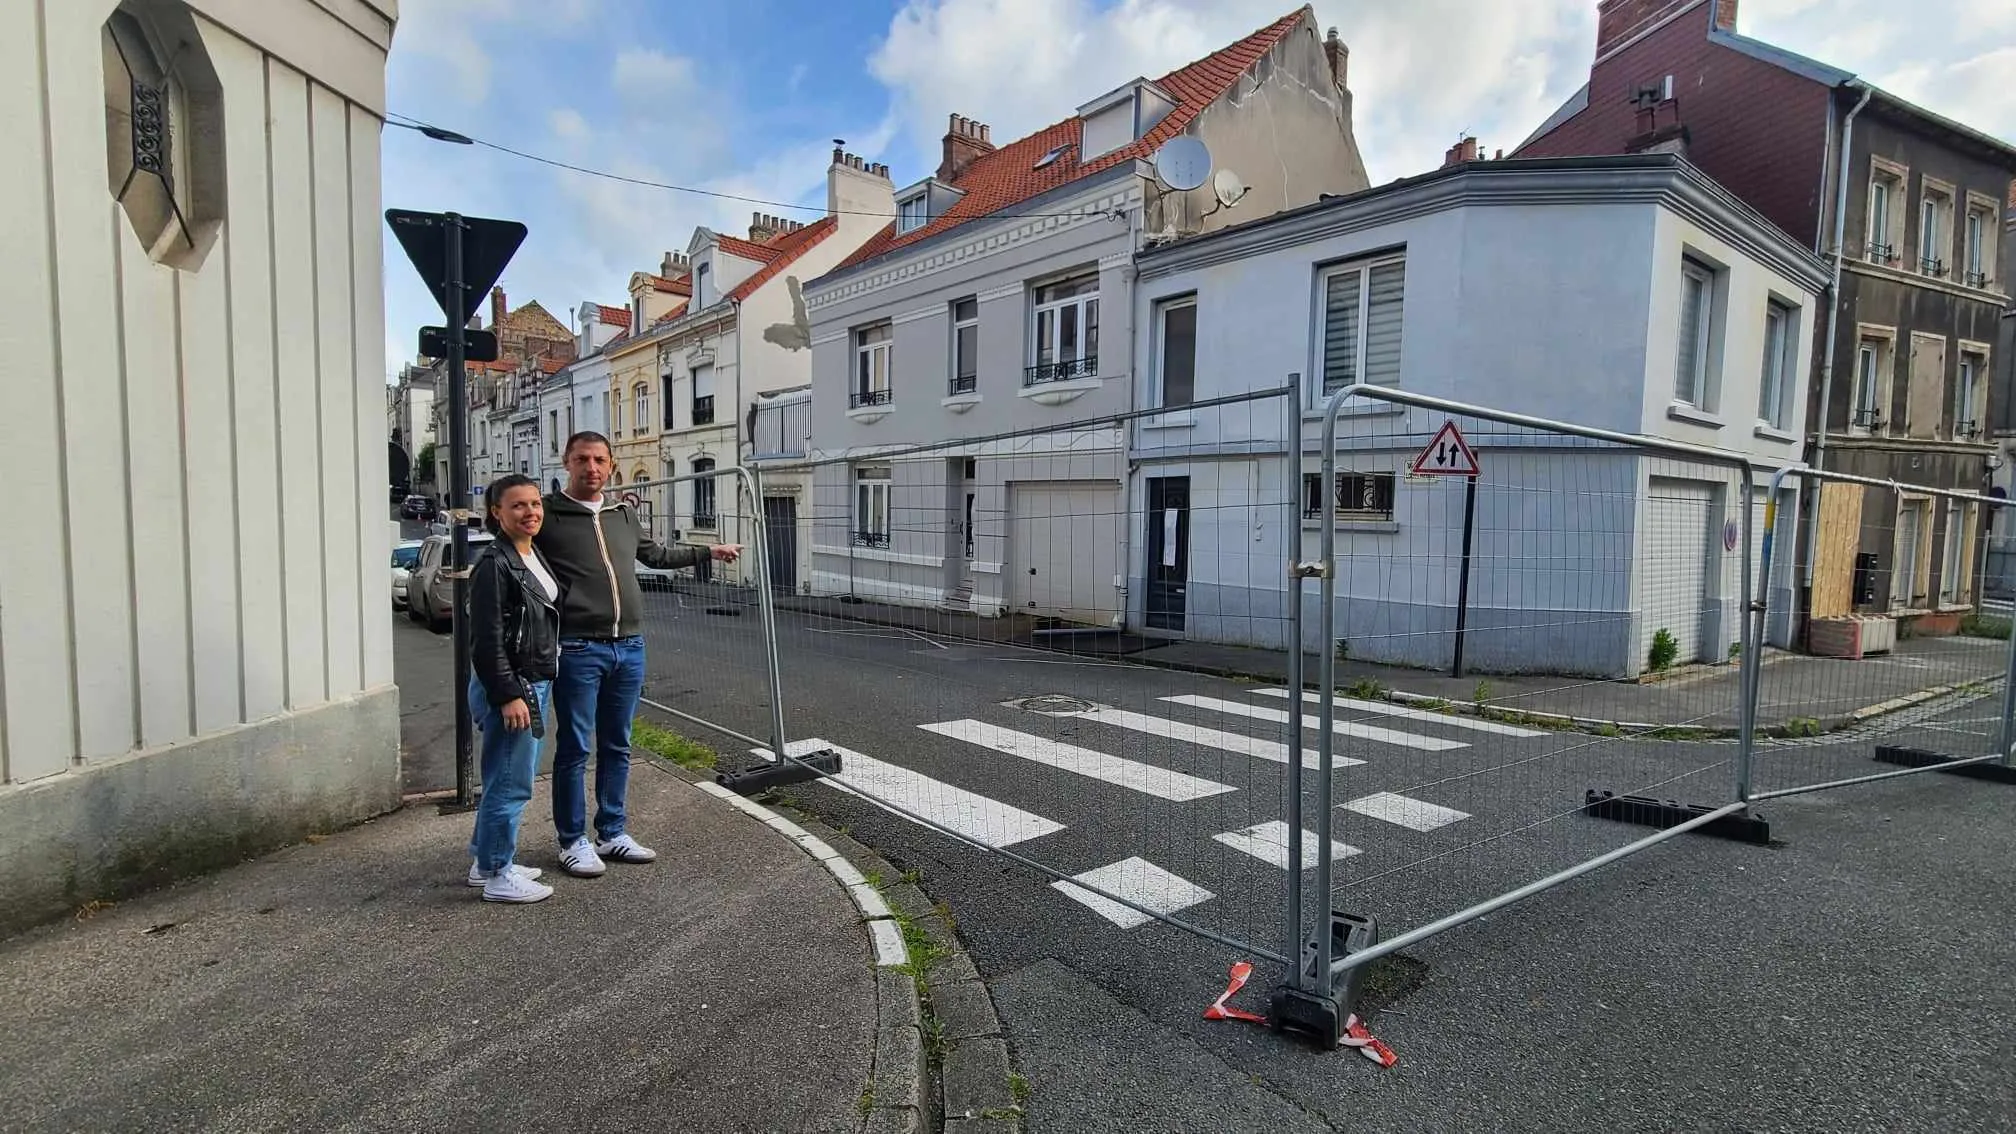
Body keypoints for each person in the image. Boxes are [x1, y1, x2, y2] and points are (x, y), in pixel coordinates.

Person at [536, 432, 743, 877]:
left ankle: (611, 832)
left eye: (598, 460)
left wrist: (709, 551)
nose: (591, 467)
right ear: (566, 464)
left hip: (629, 646)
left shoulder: (623, 514)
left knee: (618, 743)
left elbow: (655, 554)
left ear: (610, 466)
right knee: (574, 746)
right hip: (577, 647)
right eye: (581, 459)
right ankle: (571, 841)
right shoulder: (547, 515)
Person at [465, 473, 564, 904]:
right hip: (514, 684)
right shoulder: (494, 563)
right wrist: (508, 694)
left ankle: (485, 861)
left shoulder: (528, 552)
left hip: (529, 678)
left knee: (503, 777)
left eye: (536, 504)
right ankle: (499, 875)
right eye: (519, 506)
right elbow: (485, 638)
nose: (531, 512)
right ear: (497, 513)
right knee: (511, 782)